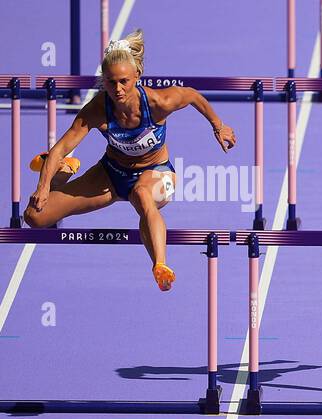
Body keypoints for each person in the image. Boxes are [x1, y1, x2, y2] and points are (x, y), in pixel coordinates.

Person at [24, 30, 237, 291]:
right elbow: (60, 147)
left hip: (159, 174)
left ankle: (160, 265)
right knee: (35, 216)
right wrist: (43, 187)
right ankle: (61, 174)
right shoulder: (97, 109)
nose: (118, 89)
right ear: (104, 81)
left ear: (137, 76)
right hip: (111, 174)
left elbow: (192, 95)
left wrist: (218, 126)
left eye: (124, 81)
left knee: (142, 195)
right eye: (111, 82)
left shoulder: (159, 102)